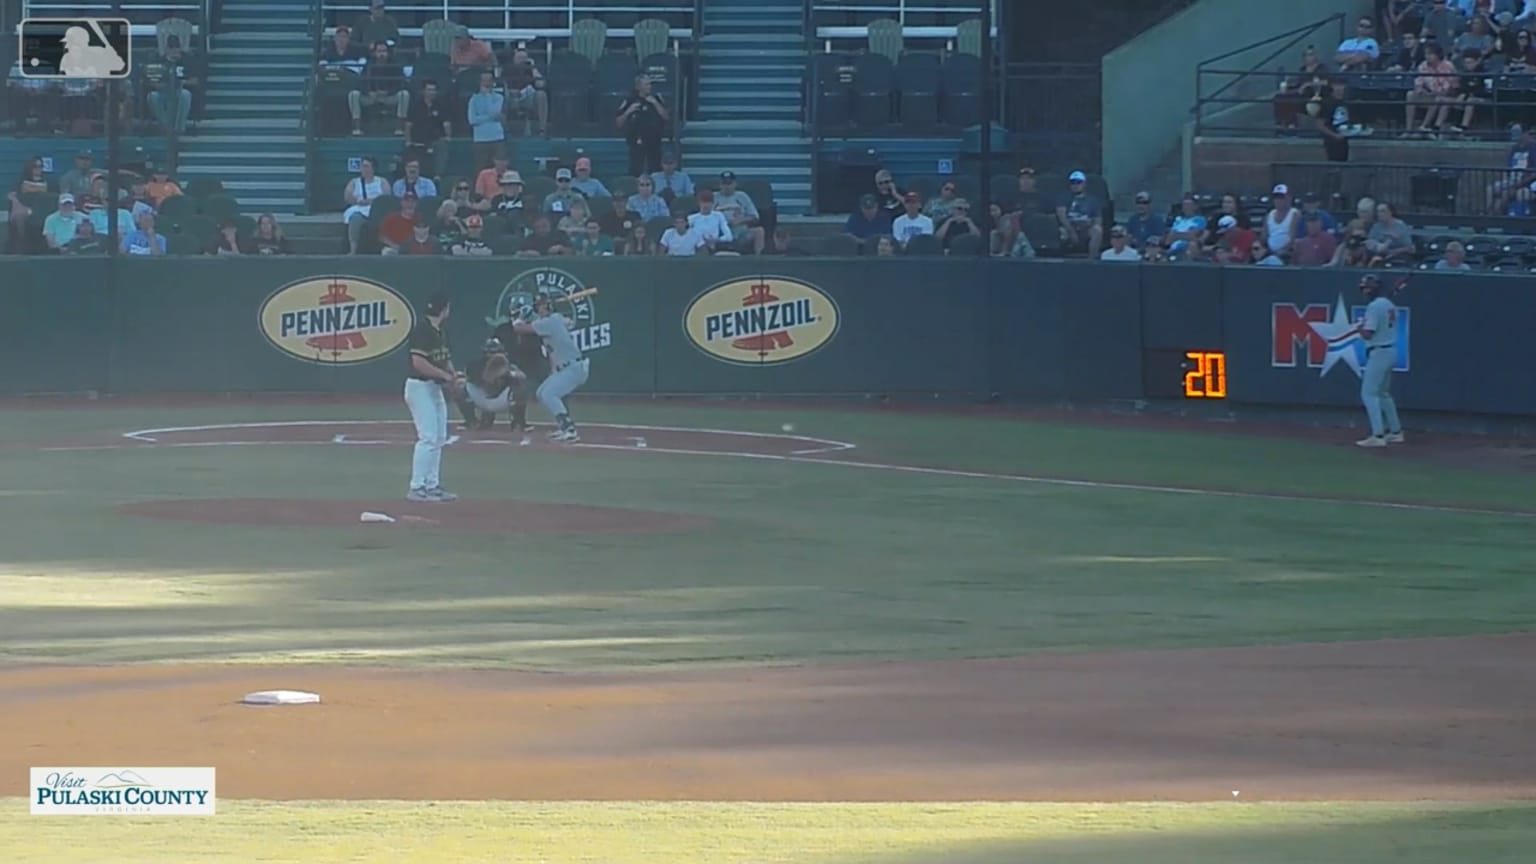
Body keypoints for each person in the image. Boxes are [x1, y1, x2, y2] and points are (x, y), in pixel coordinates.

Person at [507, 293, 589, 442]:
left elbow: (518, 329)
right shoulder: (553, 320)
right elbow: (565, 324)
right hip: (567, 368)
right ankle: (564, 425)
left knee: (548, 394)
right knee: (542, 392)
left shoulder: (549, 322)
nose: (538, 310)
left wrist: (521, 317)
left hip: (573, 368)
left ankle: (569, 429)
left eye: (540, 307)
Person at [404, 291, 461, 501]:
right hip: (419, 388)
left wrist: (452, 376)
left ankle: (432, 485)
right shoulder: (423, 330)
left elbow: (444, 357)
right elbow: (418, 363)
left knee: (438, 437)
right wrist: (445, 375)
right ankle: (416, 487)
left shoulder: (438, 331)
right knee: (428, 437)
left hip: (433, 388)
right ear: (444, 309)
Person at [1353, 275, 1406, 448]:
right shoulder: (1389, 305)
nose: (1364, 291)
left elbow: (1368, 333)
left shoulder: (1375, 306)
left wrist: (1358, 327)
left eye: (1366, 288)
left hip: (1379, 351)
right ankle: (1396, 432)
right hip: (1391, 350)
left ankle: (1378, 434)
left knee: (1369, 393)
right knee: (1383, 393)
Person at [456, 337, 526, 432]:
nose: (493, 355)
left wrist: (508, 373)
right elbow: (481, 383)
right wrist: (490, 374)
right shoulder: (475, 366)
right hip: (482, 399)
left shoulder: (509, 365)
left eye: (496, 352)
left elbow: (522, 376)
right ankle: (472, 421)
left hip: (501, 401)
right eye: (491, 352)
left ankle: (518, 422)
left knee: (519, 386)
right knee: (460, 385)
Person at [615, 74, 668, 177]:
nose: (649, 87)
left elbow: (666, 117)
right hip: (635, 140)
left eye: (649, 84)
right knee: (635, 169)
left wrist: (655, 103)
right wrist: (628, 111)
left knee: (655, 169)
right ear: (638, 87)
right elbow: (618, 122)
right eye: (646, 84)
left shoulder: (657, 98)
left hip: (654, 140)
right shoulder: (630, 100)